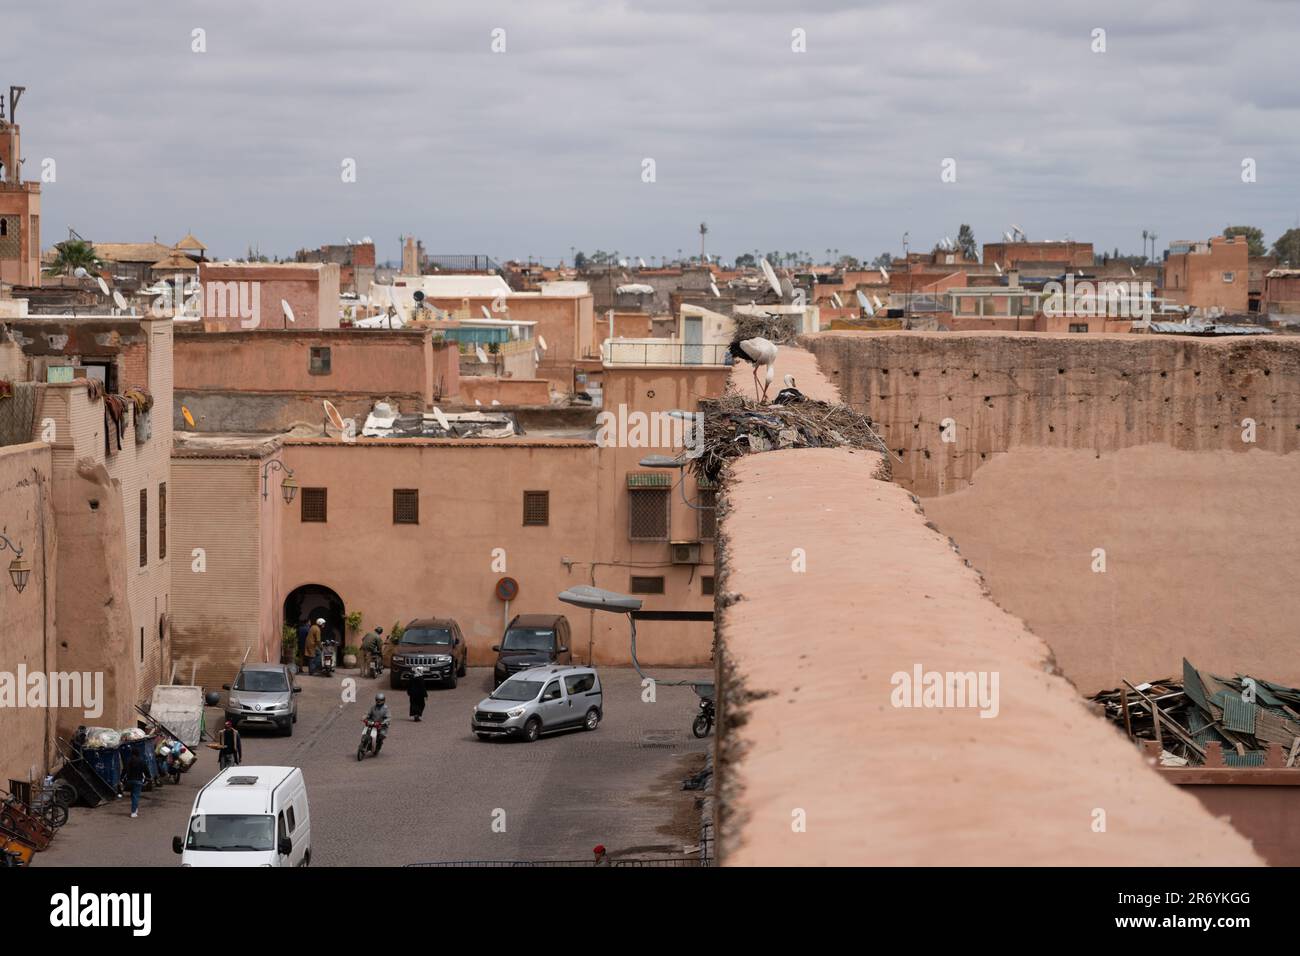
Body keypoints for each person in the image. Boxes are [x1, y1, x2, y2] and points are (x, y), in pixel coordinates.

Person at [124, 750, 148, 818]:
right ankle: (133, 812)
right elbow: (146, 770)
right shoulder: (141, 761)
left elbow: (124, 770)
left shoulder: (129, 761)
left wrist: (121, 779)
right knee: (135, 796)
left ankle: (135, 808)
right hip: (138, 781)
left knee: (133, 795)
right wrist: (148, 777)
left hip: (130, 781)